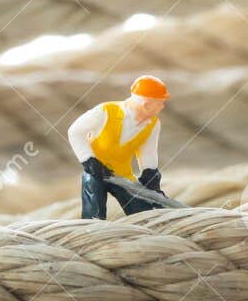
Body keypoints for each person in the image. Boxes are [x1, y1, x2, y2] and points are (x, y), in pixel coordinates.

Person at [68, 75, 171, 219]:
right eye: (160, 103)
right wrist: (88, 160)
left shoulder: (153, 124)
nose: (162, 106)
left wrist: (150, 175)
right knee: (93, 216)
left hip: (123, 174)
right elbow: (75, 132)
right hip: (96, 173)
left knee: (144, 213)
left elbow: (148, 152)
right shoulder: (105, 111)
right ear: (146, 104)